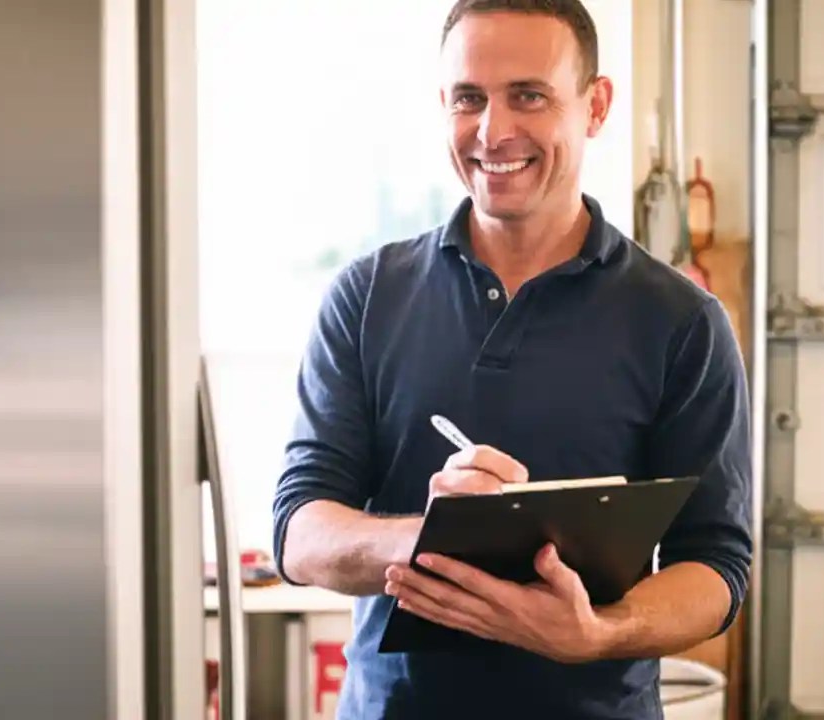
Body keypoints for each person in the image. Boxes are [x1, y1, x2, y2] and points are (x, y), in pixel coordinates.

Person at [271, 0, 753, 717]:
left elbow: (716, 567)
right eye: (469, 98)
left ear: (595, 106)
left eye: (528, 95)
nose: (493, 132)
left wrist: (594, 633)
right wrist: (433, 536)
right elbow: (298, 530)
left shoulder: (682, 322)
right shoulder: (368, 296)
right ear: (443, 105)